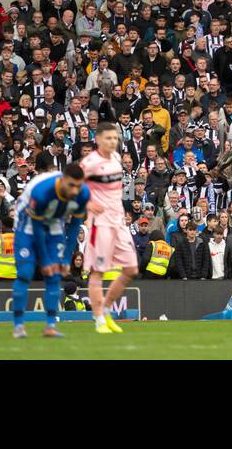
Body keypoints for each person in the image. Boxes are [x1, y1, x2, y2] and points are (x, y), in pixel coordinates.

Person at [10, 156, 90, 338]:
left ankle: (51, 326)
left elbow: (75, 226)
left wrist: (66, 259)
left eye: (78, 186)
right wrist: (45, 260)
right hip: (28, 225)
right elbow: (37, 227)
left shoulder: (83, 194)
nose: (75, 191)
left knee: (55, 275)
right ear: (63, 180)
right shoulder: (42, 191)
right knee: (25, 273)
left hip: (54, 224)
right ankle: (18, 325)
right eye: (71, 185)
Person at [80, 123, 138, 334]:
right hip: (101, 224)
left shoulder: (115, 158)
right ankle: (99, 320)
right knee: (98, 273)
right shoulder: (90, 163)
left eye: (115, 138)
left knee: (131, 269)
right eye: (108, 138)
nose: (113, 142)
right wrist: (87, 204)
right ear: (98, 139)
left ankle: (105, 310)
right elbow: (70, 186)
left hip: (119, 222)